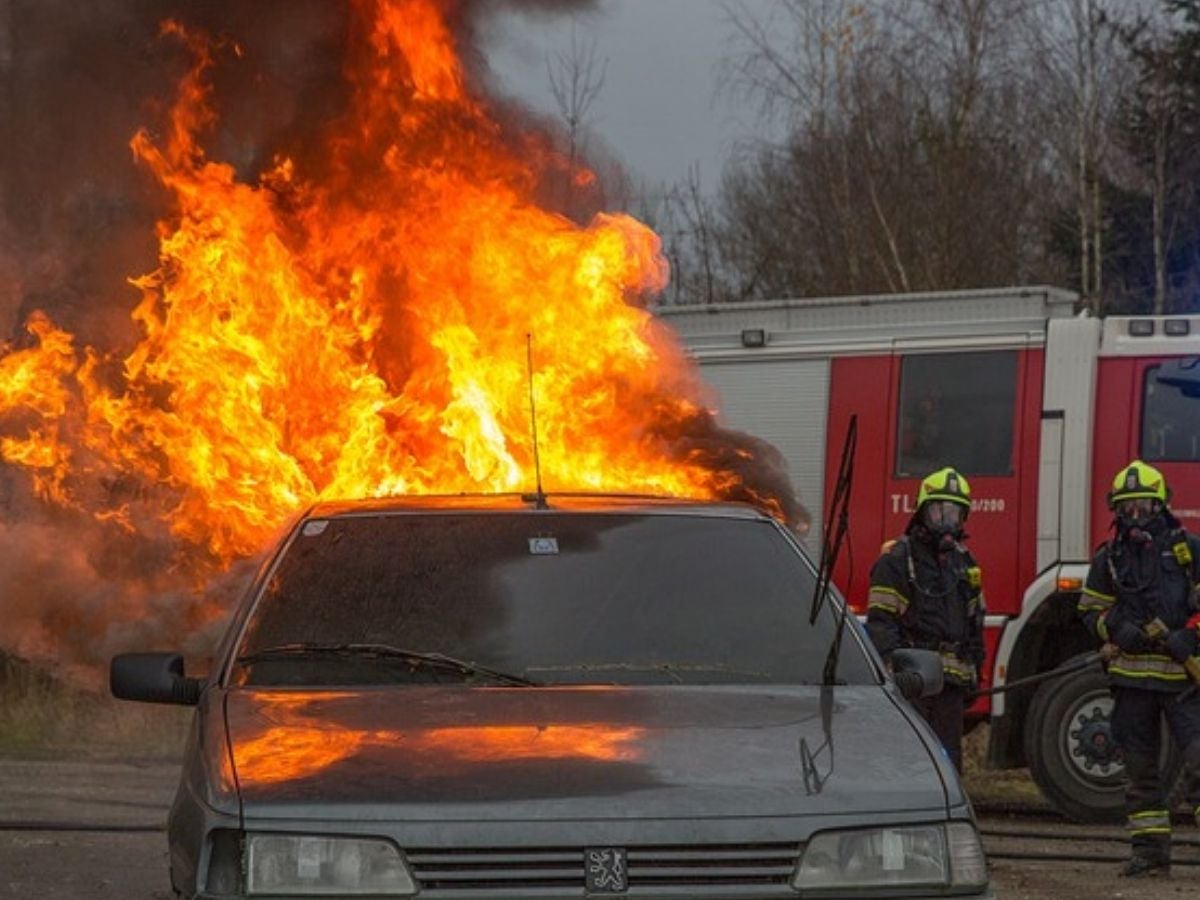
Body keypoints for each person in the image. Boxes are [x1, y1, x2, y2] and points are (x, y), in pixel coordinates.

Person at [1077, 460, 1200, 878]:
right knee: (1140, 772)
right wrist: (1114, 628)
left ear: (1160, 505)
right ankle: (1150, 855)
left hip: (1183, 680)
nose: (1135, 515)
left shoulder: (1188, 550)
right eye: (1127, 508)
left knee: (1199, 760)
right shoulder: (1109, 558)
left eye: (1143, 505)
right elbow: (1088, 610)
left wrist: (1192, 637)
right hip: (1131, 682)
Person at [866, 466, 985, 771]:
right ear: (922, 512)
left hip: (951, 686)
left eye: (954, 514)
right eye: (939, 512)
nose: (947, 522)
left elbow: (974, 623)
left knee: (949, 765)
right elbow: (881, 623)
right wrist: (896, 672)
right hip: (914, 682)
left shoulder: (965, 564)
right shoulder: (897, 561)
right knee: (912, 761)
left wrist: (974, 672)